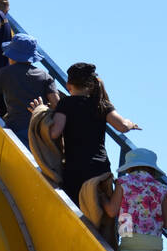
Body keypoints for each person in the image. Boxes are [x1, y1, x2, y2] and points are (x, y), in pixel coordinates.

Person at [47, 62, 140, 205]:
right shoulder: (101, 104)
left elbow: (54, 133)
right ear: (91, 85)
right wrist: (130, 123)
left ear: (68, 85)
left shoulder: (66, 104)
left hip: (74, 168)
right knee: (98, 212)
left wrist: (41, 117)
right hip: (99, 169)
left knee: (75, 209)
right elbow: (121, 126)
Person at [101, 149, 167, 251]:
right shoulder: (162, 188)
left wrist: (102, 198)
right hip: (155, 247)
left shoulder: (123, 182)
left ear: (129, 167)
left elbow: (112, 211)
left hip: (131, 242)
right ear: (153, 169)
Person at [0, 34, 58, 146]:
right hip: (40, 132)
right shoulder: (45, 76)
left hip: (17, 130)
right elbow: (57, 105)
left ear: (12, 56)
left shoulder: (6, 73)